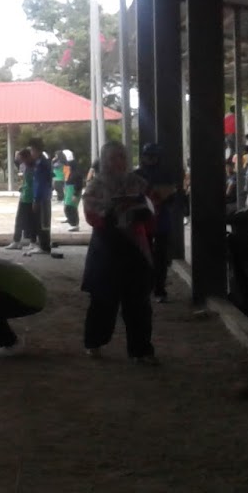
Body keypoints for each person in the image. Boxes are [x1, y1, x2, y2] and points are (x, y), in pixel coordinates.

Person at [81, 141, 157, 364]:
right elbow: (91, 214)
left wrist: (147, 212)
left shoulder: (139, 183)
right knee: (103, 300)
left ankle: (141, 350)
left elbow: (154, 210)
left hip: (135, 247)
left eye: (122, 157)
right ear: (105, 160)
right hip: (106, 248)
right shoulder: (95, 186)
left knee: (138, 302)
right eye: (114, 158)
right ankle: (94, 341)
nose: (119, 162)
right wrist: (110, 214)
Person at [133, 143, 182, 302]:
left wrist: (163, 198)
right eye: (148, 156)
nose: (150, 159)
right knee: (143, 256)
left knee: (160, 257)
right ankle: (146, 287)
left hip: (161, 220)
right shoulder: (137, 175)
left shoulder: (166, 174)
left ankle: (159, 289)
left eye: (153, 156)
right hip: (144, 220)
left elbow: (174, 197)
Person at [27, 138, 60, 258]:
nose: (31, 153)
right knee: (42, 222)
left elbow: (40, 183)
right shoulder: (41, 162)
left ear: (36, 150)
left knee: (43, 223)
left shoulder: (41, 163)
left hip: (42, 197)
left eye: (31, 150)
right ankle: (43, 245)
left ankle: (44, 247)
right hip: (44, 196)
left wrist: (36, 199)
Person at [6, 148, 35, 251]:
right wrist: (22, 187)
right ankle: (16, 241)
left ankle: (33, 241)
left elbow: (35, 184)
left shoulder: (34, 167)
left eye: (23, 159)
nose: (22, 162)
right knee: (19, 219)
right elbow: (27, 182)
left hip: (32, 198)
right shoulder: (26, 166)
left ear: (28, 157)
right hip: (24, 196)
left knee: (31, 220)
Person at [64, 153, 88, 231]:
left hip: (74, 190)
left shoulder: (76, 172)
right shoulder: (72, 170)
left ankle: (74, 224)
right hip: (70, 190)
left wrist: (76, 194)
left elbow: (79, 182)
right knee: (68, 207)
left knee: (70, 207)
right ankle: (72, 222)